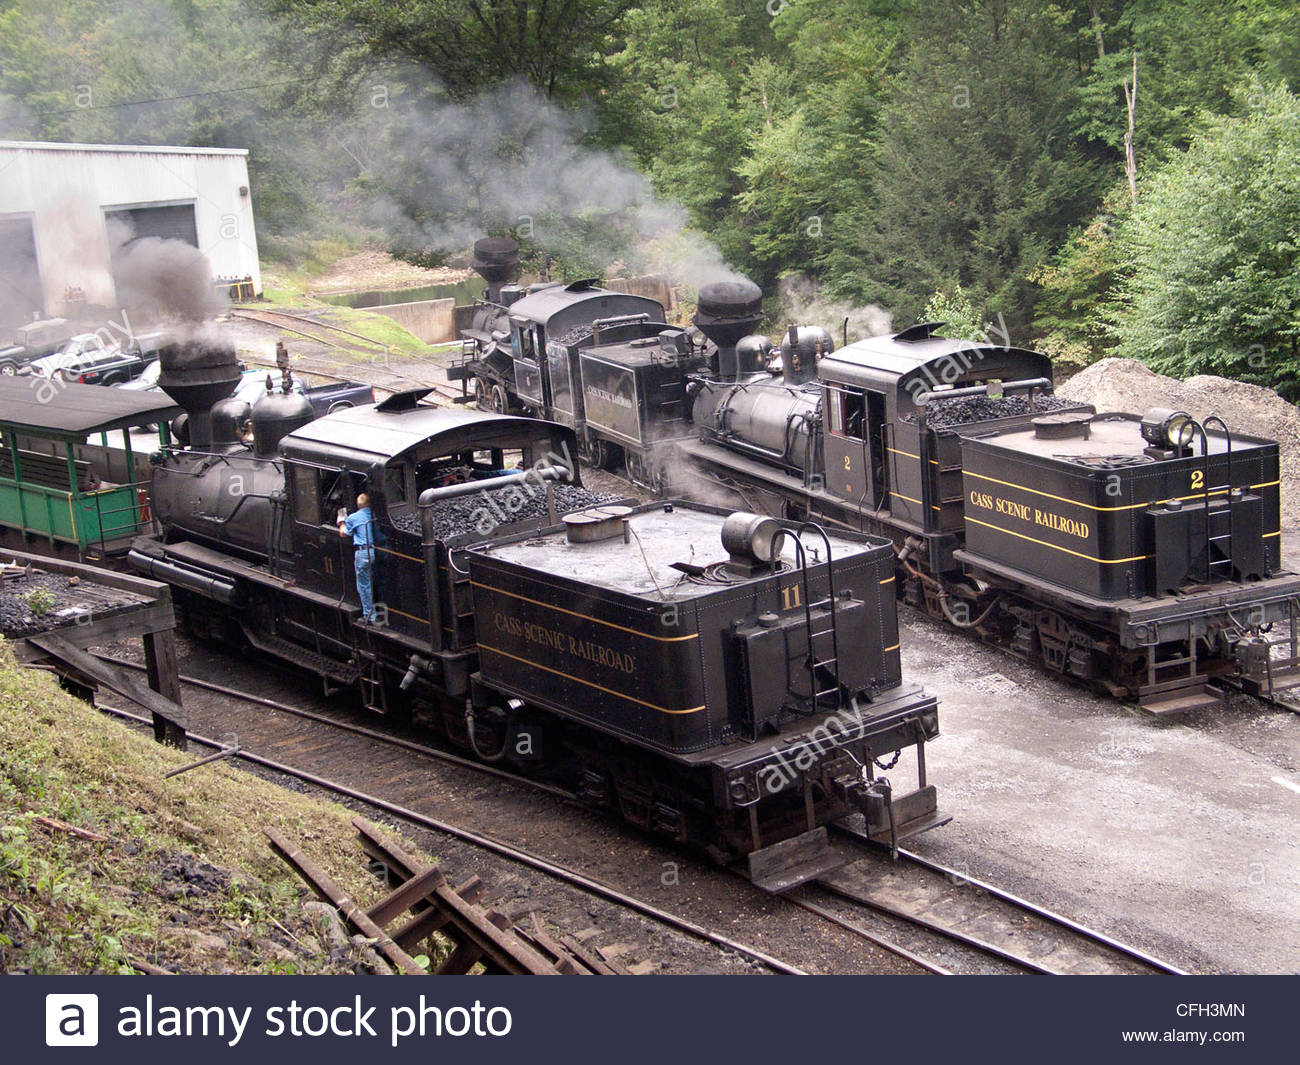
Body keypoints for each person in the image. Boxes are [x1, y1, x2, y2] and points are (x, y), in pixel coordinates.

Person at [338, 492, 378, 622]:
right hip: (375, 552)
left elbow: (343, 533)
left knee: (364, 585)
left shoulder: (354, 517)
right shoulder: (375, 514)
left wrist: (341, 521)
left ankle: (369, 616)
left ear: (358, 504)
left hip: (363, 553)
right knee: (374, 581)